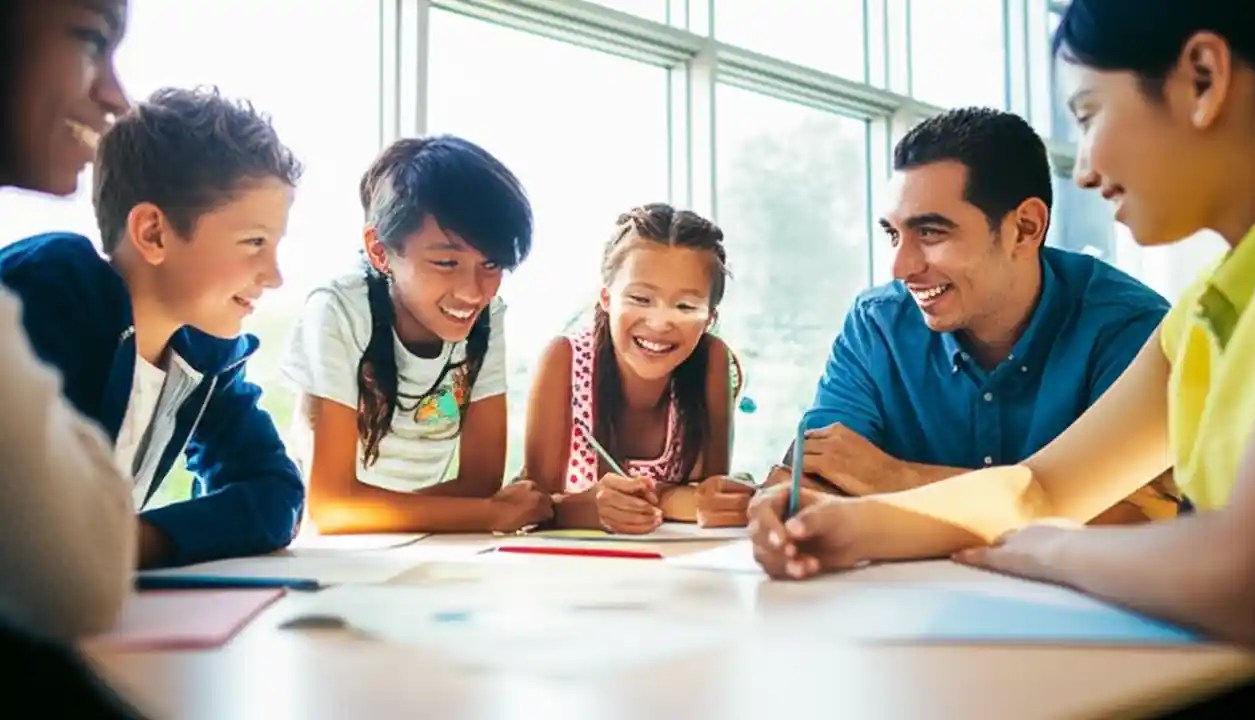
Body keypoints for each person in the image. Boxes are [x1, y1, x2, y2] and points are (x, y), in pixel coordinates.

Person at [748, 0, 1255, 653]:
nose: (1083, 169)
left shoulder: (1146, 317)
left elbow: (1250, 578)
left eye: (1088, 114)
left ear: (1202, 79)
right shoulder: (1205, 308)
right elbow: (1041, 489)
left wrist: (1051, 551)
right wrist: (852, 527)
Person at [764, 107, 1175, 525]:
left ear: (1026, 228)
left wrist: (895, 478)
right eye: (893, 234)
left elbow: (1132, 518)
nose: (899, 268)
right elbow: (819, 478)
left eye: (931, 232)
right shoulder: (876, 325)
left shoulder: (1130, 328)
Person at [0, 86, 306, 569]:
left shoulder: (204, 358)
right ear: (153, 234)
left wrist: (126, 543)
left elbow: (277, 494)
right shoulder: (52, 287)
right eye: (253, 242)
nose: (274, 275)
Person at [282, 136, 552, 534]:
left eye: (491, 264)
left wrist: (377, 513)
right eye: (446, 262)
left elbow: (481, 480)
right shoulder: (339, 310)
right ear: (379, 250)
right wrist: (487, 515)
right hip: (325, 550)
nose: (473, 291)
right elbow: (332, 506)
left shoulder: (487, 318)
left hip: (425, 543)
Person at [0, 0, 134, 636]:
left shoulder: (209, 350)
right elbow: (81, 572)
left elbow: (273, 491)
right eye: (90, 37)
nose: (117, 96)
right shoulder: (63, 282)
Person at [524, 203, 753, 533]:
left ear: (709, 320)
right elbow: (532, 507)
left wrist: (721, 501)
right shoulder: (564, 358)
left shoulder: (712, 361)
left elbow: (707, 497)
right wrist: (588, 510)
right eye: (640, 299)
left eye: (686, 306)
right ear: (606, 299)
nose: (659, 323)